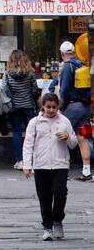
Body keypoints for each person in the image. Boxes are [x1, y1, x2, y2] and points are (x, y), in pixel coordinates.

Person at [22, 91, 78, 240]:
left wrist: (68, 137)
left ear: (58, 106)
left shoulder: (64, 121)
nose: (51, 110)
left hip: (60, 163)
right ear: (43, 106)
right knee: (44, 196)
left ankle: (58, 219)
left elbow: (73, 143)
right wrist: (27, 164)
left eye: (54, 107)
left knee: (60, 193)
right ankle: (47, 227)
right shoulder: (35, 122)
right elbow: (28, 144)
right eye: (48, 107)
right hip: (41, 164)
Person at [56, 40, 92, 182]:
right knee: (82, 138)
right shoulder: (82, 65)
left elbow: (64, 90)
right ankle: (86, 171)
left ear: (62, 53)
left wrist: (60, 108)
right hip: (86, 107)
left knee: (61, 135)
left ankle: (62, 170)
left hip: (72, 106)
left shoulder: (67, 66)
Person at [1, 49, 40, 169]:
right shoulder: (30, 73)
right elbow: (35, 90)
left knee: (17, 133)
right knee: (32, 133)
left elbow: (4, 90)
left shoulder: (7, 74)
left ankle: (20, 160)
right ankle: (33, 160)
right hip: (29, 107)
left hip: (14, 108)